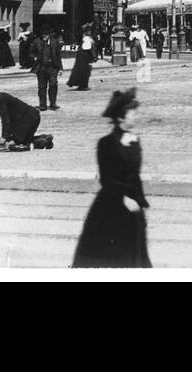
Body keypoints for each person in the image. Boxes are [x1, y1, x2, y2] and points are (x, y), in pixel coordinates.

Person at [72, 89, 151, 268]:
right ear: (121, 117)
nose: (135, 117)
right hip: (112, 205)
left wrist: (140, 200)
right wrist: (125, 198)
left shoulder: (135, 140)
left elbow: (135, 175)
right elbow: (106, 179)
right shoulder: (106, 143)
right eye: (133, 113)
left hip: (133, 206)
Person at [0, 81, 53, 151]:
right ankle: (45, 139)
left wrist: (4, 137)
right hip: (33, 116)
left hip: (27, 120)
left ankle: (44, 140)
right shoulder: (0, 96)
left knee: (17, 143)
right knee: (25, 140)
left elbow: (5, 119)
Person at [30, 25, 63, 111]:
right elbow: (30, 52)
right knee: (42, 87)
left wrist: (60, 68)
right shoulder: (37, 41)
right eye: (43, 34)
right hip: (41, 68)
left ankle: (53, 103)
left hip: (52, 68)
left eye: (46, 34)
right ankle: (42, 105)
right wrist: (34, 57)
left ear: (49, 35)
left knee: (53, 85)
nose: (44, 36)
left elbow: (58, 56)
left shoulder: (55, 42)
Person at [68, 24, 96, 90]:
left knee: (82, 71)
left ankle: (82, 85)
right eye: (89, 31)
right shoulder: (87, 38)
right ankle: (83, 85)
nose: (90, 32)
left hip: (82, 57)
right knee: (85, 71)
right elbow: (88, 48)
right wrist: (93, 57)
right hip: (85, 57)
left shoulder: (86, 38)